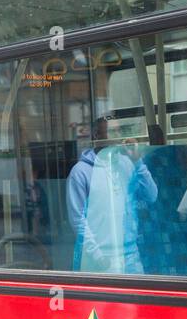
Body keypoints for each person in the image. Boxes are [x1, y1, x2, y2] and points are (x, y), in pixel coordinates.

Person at [66, 117, 157, 274]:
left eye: (119, 131)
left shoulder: (127, 164)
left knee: (137, 298)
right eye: (112, 132)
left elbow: (152, 195)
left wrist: (137, 161)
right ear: (97, 137)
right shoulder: (81, 172)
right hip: (101, 256)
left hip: (130, 253)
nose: (117, 137)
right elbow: (77, 219)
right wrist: (98, 257)